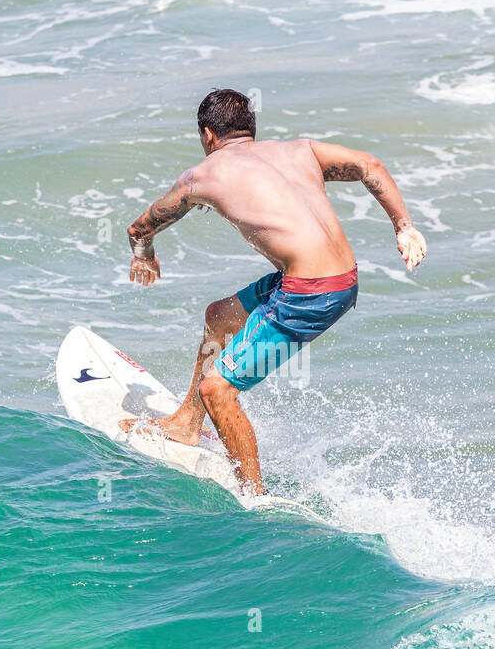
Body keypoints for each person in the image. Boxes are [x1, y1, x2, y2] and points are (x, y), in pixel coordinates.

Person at [119, 88, 428, 494]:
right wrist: (403, 226)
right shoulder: (300, 151)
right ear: (250, 129)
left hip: (309, 292)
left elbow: (139, 228)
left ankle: (255, 499)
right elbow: (370, 165)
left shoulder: (201, 177)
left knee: (218, 390)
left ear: (209, 136)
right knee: (220, 317)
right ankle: (186, 423)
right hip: (340, 279)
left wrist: (143, 257)